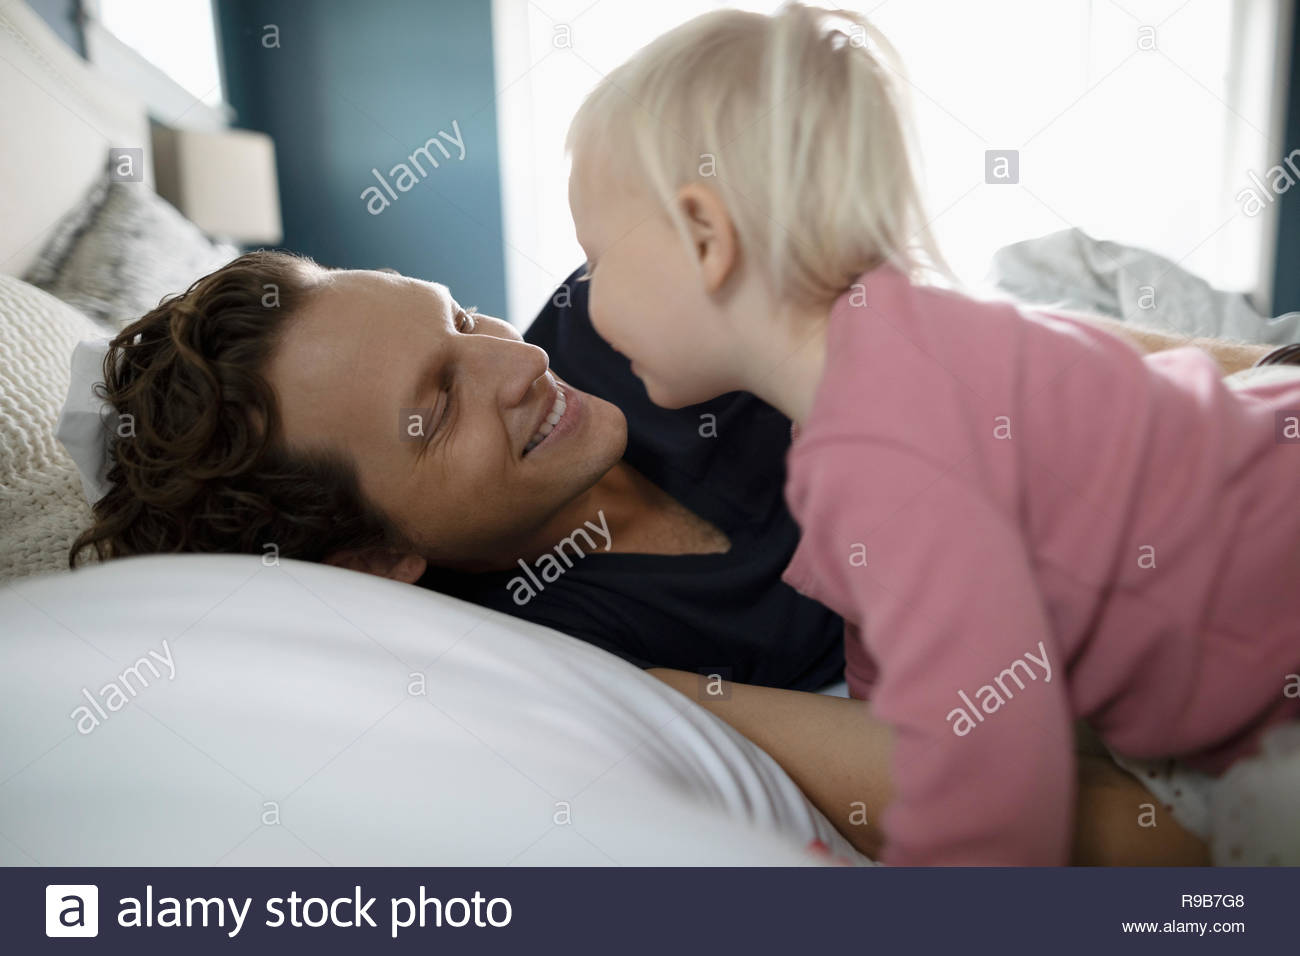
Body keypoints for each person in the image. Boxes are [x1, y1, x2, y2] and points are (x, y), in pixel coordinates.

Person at [563, 3, 1300, 865]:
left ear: (704, 237)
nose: (586, 305)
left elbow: (995, 785)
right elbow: (907, 646)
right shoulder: (883, 361)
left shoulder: (880, 445)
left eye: (598, 258)